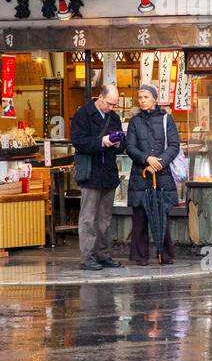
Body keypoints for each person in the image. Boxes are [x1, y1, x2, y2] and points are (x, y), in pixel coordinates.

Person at [70, 84, 125, 272]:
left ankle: (103, 254)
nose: (111, 108)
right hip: (91, 173)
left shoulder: (114, 117)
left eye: (114, 105)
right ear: (100, 98)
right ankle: (87, 257)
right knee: (88, 217)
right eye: (110, 103)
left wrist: (117, 142)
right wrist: (101, 141)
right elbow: (78, 141)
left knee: (105, 218)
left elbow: (121, 146)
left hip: (108, 172)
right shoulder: (83, 115)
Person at [125, 83, 180, 265]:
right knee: (140, 218)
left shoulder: (166, 119)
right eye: (140, 97)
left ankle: (165, 254)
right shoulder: (134, 121)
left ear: (155, 99)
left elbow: (174, 146)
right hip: (140, 174)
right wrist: (147, 158)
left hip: (161, 174)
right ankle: (140, 256)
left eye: (146, 97)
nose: (142, 101)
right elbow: (130, 147)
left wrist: (160, 162)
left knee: (161, 214)